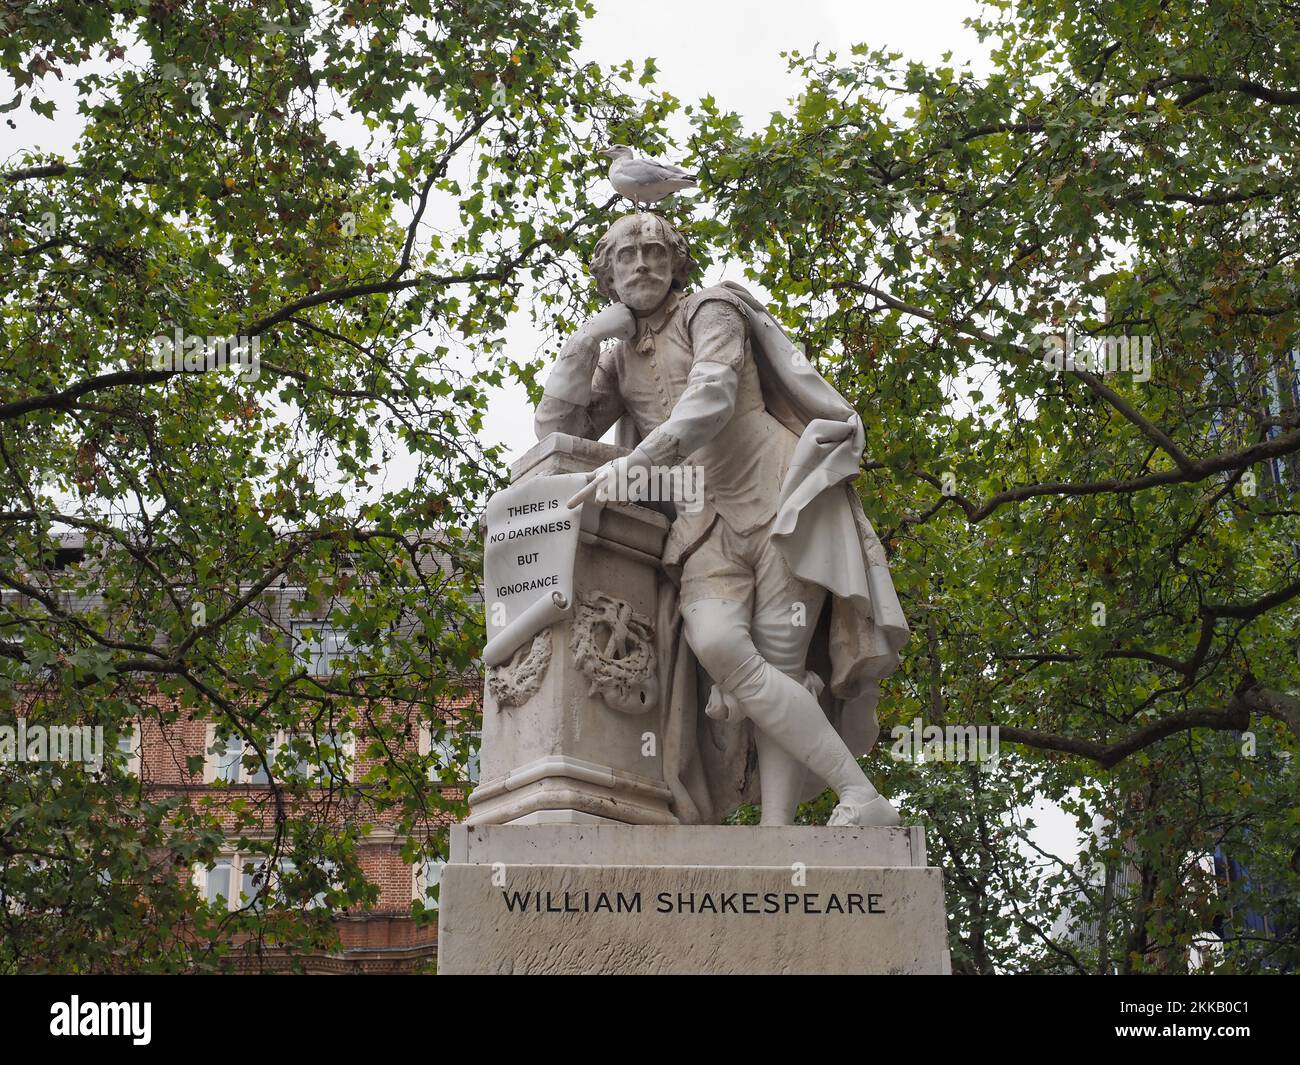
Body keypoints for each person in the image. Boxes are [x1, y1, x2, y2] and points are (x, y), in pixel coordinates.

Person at [536, 211, 908, 826]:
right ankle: (861, 793)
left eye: (655, 252)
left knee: (780, 662)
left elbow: (712, 394)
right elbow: (557, 431)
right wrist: (581, 344)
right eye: (625, 258)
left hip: (781, 500)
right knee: (717, 642)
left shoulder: (711, 309)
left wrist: (639, 462)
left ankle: (778, 833)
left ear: (677, 263)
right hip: (702, 523)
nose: (642, 266)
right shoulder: (619, 355)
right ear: (607, 277)